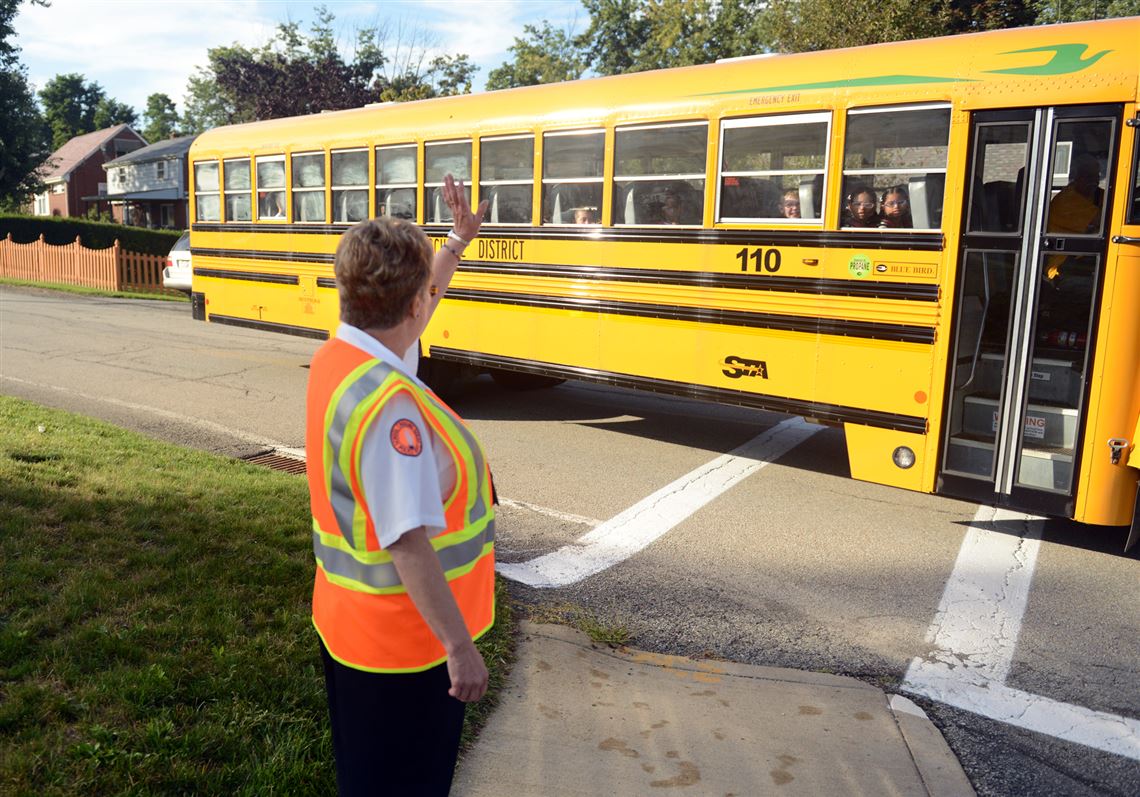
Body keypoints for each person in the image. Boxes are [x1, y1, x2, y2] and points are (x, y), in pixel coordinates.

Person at [306, 174, 492, 796]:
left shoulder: (344, 355)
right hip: (404, 651)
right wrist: (459, 648)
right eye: (424, 296)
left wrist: (456, 241)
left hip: (352, 626)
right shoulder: (391, 409)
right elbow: (406, 541)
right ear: (411, 306)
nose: (429, 301)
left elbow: (423, 295)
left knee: (367, 776)